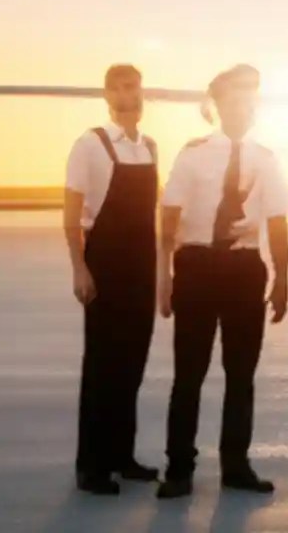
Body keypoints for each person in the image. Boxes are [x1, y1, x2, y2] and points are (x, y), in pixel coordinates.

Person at [155, 64, 288, 499]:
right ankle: (179, 468)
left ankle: (236, 465)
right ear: (216, 106)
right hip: (196, 266)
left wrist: (283, 276)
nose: (241, 110)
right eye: (233, 101)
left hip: (245, 270)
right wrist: (165, 276)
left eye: (248, 103)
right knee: (188, 373)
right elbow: (169, 218)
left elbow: (278, 220)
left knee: (241, 374)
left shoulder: (266, 159)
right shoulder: (192, 154)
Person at [64, 63, 160, 496]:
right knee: (102, 366)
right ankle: (92, 466)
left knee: (132, 364)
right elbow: (71, 217)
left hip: (141, 265)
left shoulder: (150, 147)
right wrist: (80, 267)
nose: (130, 95)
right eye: (121, 88)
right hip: (104, 265)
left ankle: (123, 455)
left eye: (136, 87)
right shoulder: (91, 145)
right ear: (107, 95)